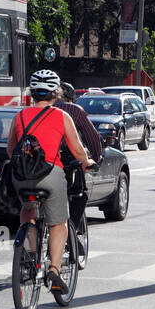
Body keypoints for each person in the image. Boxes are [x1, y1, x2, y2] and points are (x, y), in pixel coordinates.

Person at [7, 70, 94, 294]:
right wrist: (87, 161)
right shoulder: (61, 116)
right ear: (56, 93)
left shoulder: (20, 116)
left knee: (28, 211)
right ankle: (54, 270)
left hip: (21, 177)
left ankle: (29, 259)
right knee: (59, 223)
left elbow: (10, 150)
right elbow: (76, 150)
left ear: (32, 92)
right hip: (49, 174)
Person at [54, 81, 102, 260]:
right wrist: (96, 159)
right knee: (79, 195)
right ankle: (70, 234)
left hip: (38, 165)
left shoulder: (35, 110)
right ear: (71, 98)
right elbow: (92, 137)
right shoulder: (73, 110)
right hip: (68, 163)